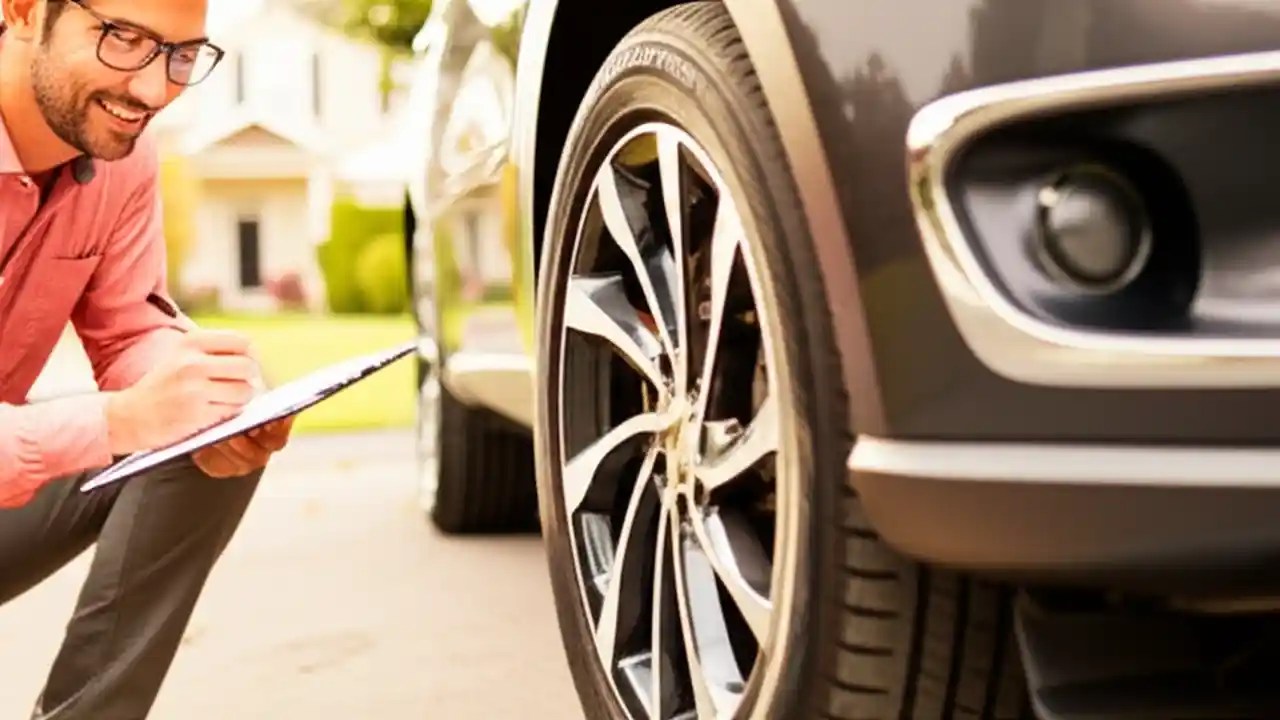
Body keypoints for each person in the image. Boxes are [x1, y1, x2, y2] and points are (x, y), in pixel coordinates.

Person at [0, 0, 294, 716]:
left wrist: (209, 394)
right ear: (23, 10)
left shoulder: (120, 157)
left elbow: (131, 330)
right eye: (123, 38)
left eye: (182, 54)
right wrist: (122, 420)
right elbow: (121, 416)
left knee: (208, 413)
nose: (154, 89)